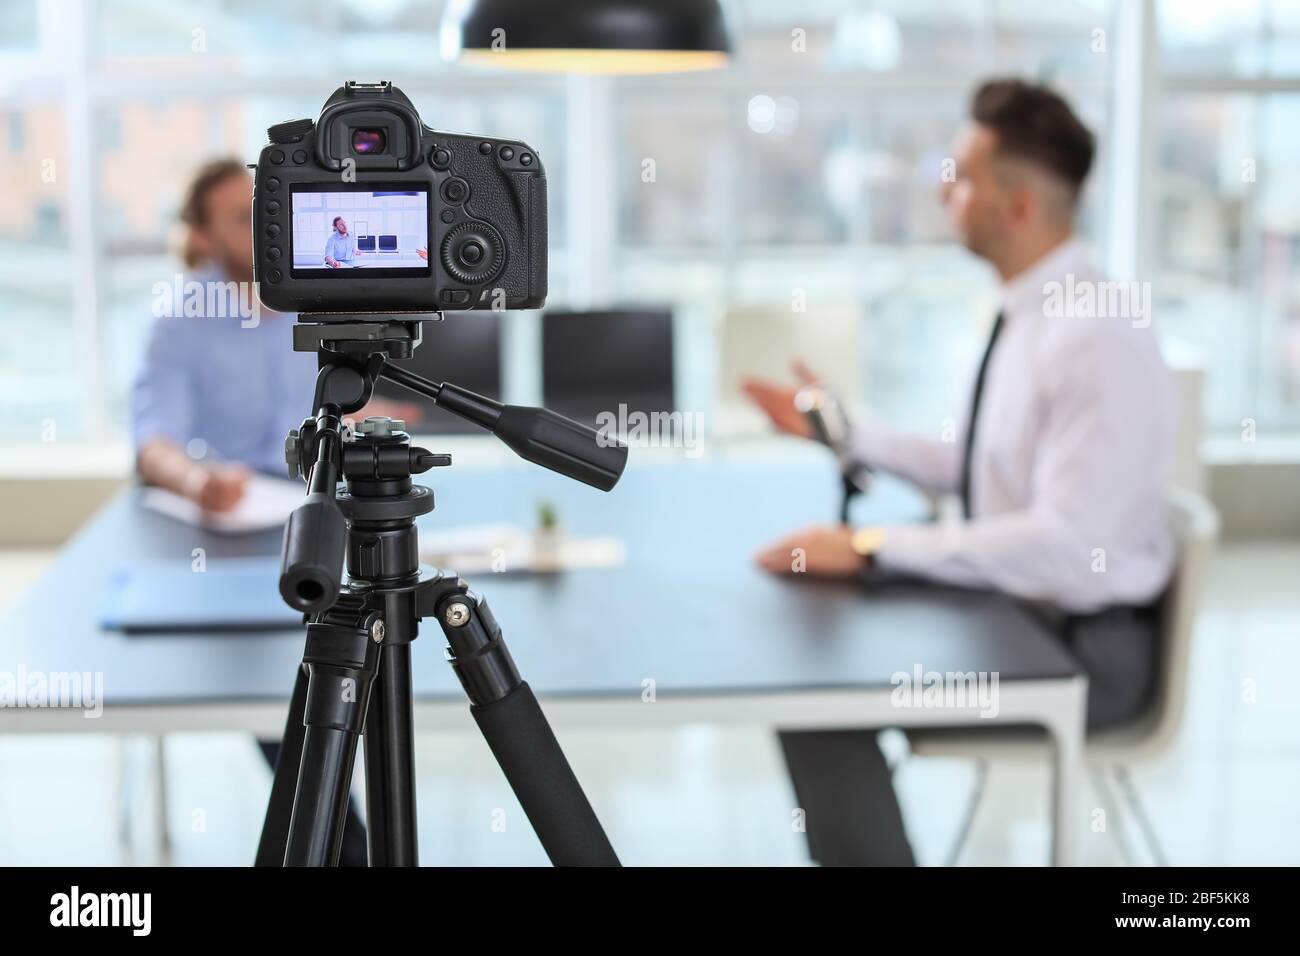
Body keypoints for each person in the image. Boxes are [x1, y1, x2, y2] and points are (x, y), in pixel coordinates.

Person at [744, 79, 1175, 866]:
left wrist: (873, 547)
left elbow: (1067, 546)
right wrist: (844, 433)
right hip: (1022, 611)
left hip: (1082, 653)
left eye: (962, 172)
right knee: (810, 661)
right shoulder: (1036, 311)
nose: (943, 184)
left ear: (1016, 208)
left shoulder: (1096, 335)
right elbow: (983, 468)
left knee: (816, 689)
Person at [132, 158, 418, 865]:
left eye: (265, 211)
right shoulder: (181, 316)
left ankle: (351, 829)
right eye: (238, 217)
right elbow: (152, 442)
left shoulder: (311, 295)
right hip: (231, 523)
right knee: (276, 673)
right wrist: (198, 480)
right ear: (201, 235)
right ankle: (337, 839)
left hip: (317, 502)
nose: (261, 230)